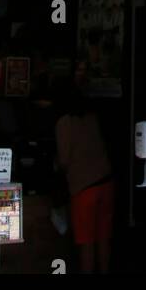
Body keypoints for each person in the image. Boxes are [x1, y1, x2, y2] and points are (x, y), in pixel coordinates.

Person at [54, 59, 114, 274]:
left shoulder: (64, 123)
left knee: (87, 241)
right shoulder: (92, 118)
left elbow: (64, 160)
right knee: (103, 238)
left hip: (83, 189)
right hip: (105, 182)